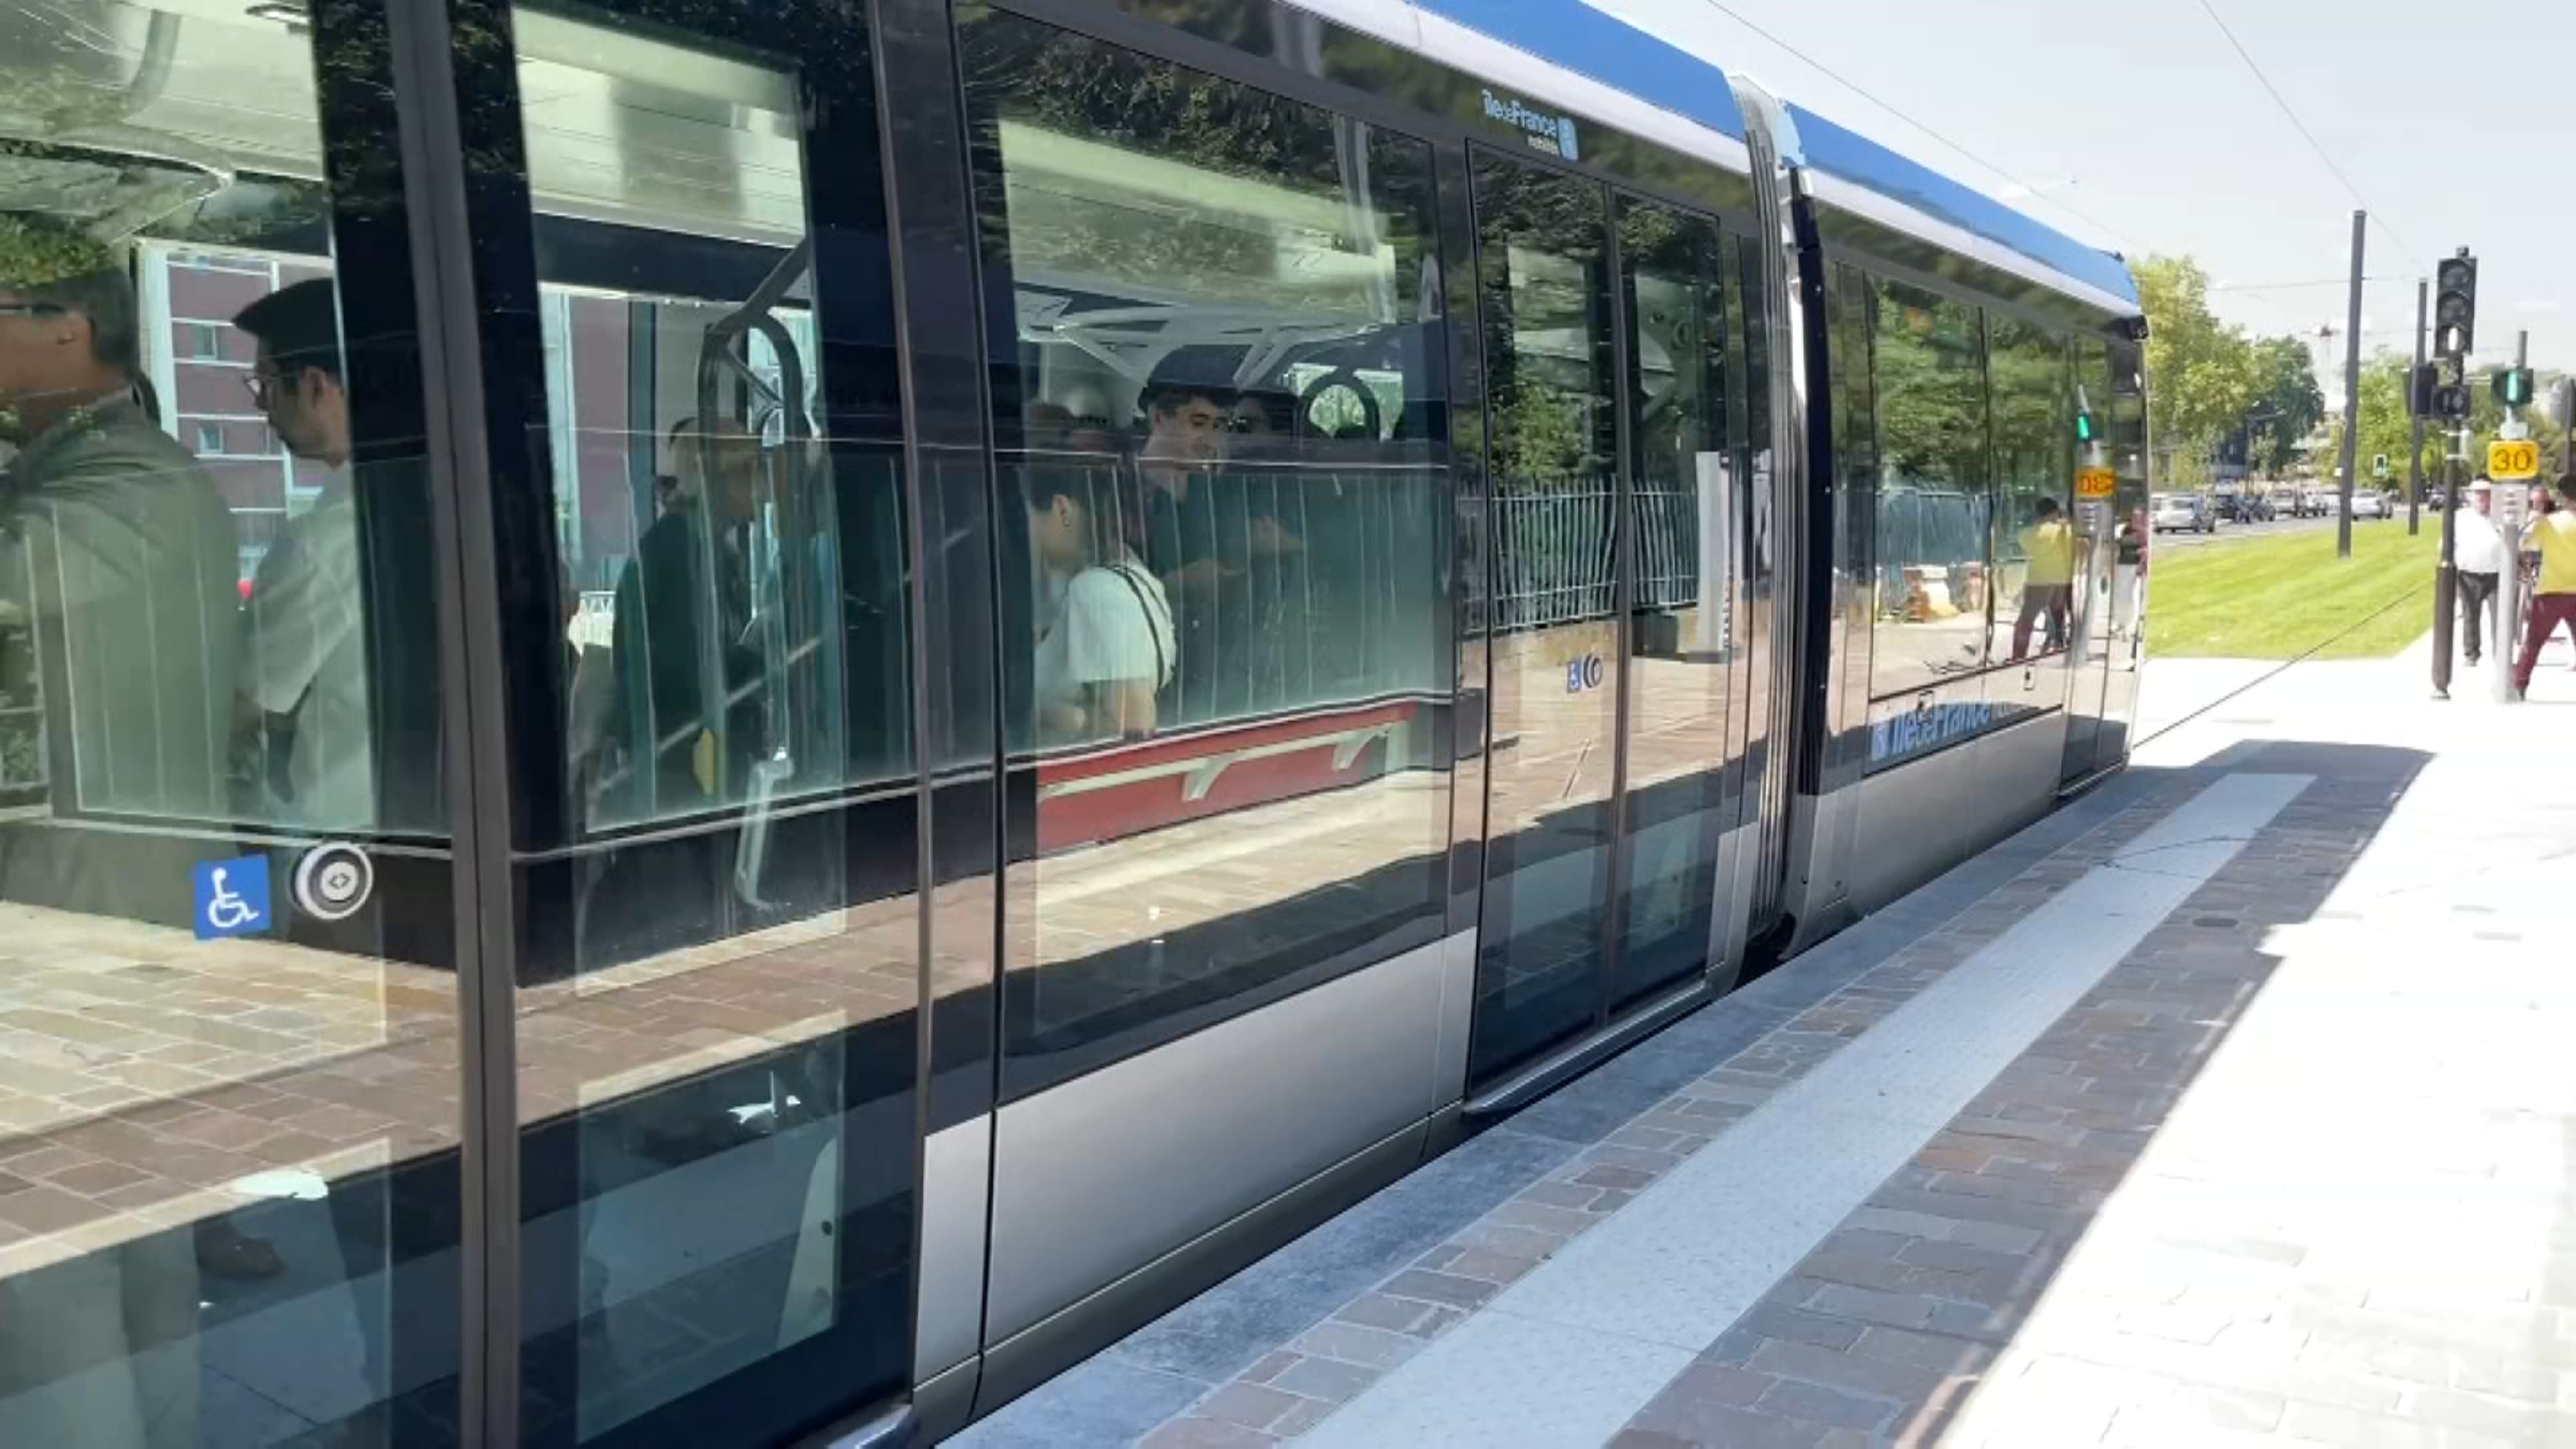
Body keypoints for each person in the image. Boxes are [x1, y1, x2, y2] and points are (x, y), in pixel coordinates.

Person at [0, 233, 220, 1448]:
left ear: (68, 329)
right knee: (133, 1225)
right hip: (114, 915)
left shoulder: (129, 483)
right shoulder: (97, 472)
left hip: (90, 922)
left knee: (56, 1253)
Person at [233, 278, 376, 829]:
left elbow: (242, 705)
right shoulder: (463, 505)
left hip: (346, 847)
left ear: (316, 385)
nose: (261, 405)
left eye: (267, 384)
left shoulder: (325, 541)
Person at [604, 417, 763, 816]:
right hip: (673, 770)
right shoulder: (676, 557)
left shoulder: (701, 549)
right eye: (747, 472)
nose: (759, 485)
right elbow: (691, 674)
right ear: (713, 480)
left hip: (685, 756)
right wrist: (763, 668)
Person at [1029, 470, 1174, 742]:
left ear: (1062, 510)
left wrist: (1045, 715)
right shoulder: (1125, 570)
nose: (1028, 535)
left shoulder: (1098, 590)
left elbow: (1135, 726)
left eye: (1031, 520)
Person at [2512, 474, 2576, 698]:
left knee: (2534, 641)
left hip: (2551, 592)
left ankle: (2520, 684)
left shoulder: (2548, 523)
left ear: (2563, 497)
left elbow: (2524, 544)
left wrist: (2523, 568)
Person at [2009, 496, 2076, 659]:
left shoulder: (2032, 533)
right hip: (2062, 581)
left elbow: (2022, 541)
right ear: (2056, 513)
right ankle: (2060, 644)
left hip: (2039, 581)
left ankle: (2018, 656)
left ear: (2038, 514)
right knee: (2058, 613)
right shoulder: (2067, 531)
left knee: (2026, 620)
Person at [2453, 479, 2505, 667]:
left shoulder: (2501, 516)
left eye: (2487, 493)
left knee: (2500, 617)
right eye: (2479, 494)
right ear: (2471, 496)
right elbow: (2447, 543)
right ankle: (2471, 653)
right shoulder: (2460, 517)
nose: (2483, 498)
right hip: (2469, 574)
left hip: (2496, 575)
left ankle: (2501, 655)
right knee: (2470, 615)